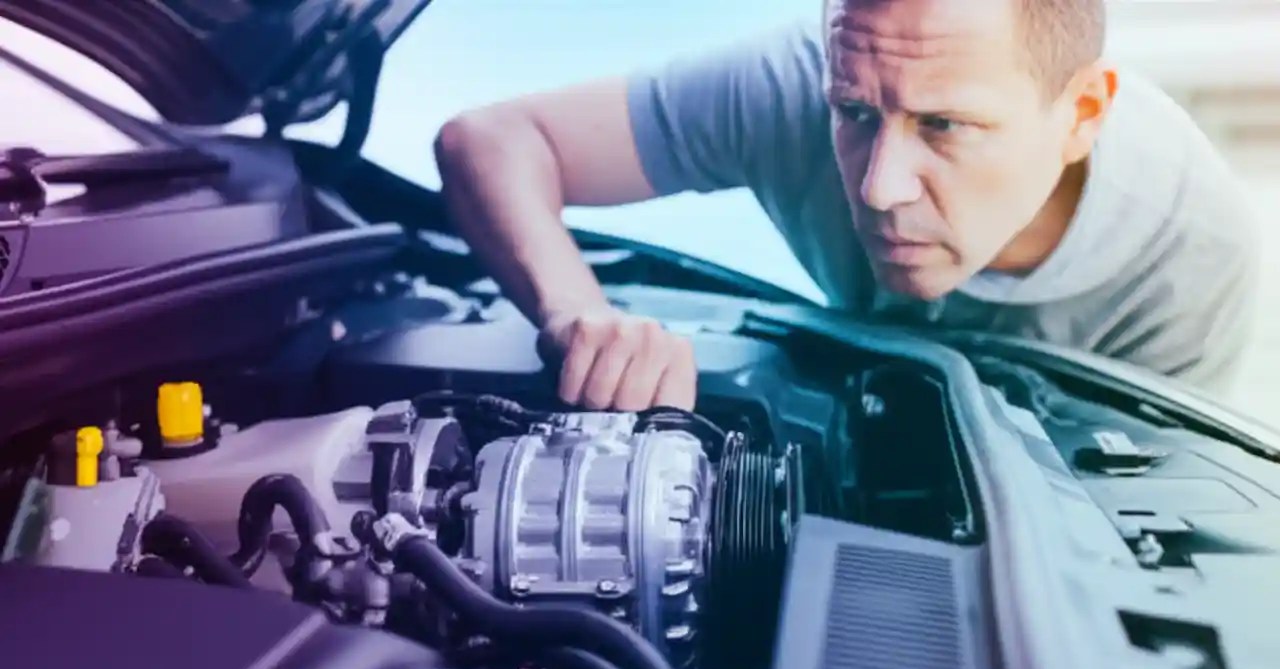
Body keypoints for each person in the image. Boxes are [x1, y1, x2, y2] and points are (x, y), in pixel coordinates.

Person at [434, 0, 1261, 412]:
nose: (878, 187)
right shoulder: (802, 79)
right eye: (854, 116)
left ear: (1081, 116)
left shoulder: (1187, 259)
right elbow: (492, 142)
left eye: (945, 126)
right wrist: (578, 313)